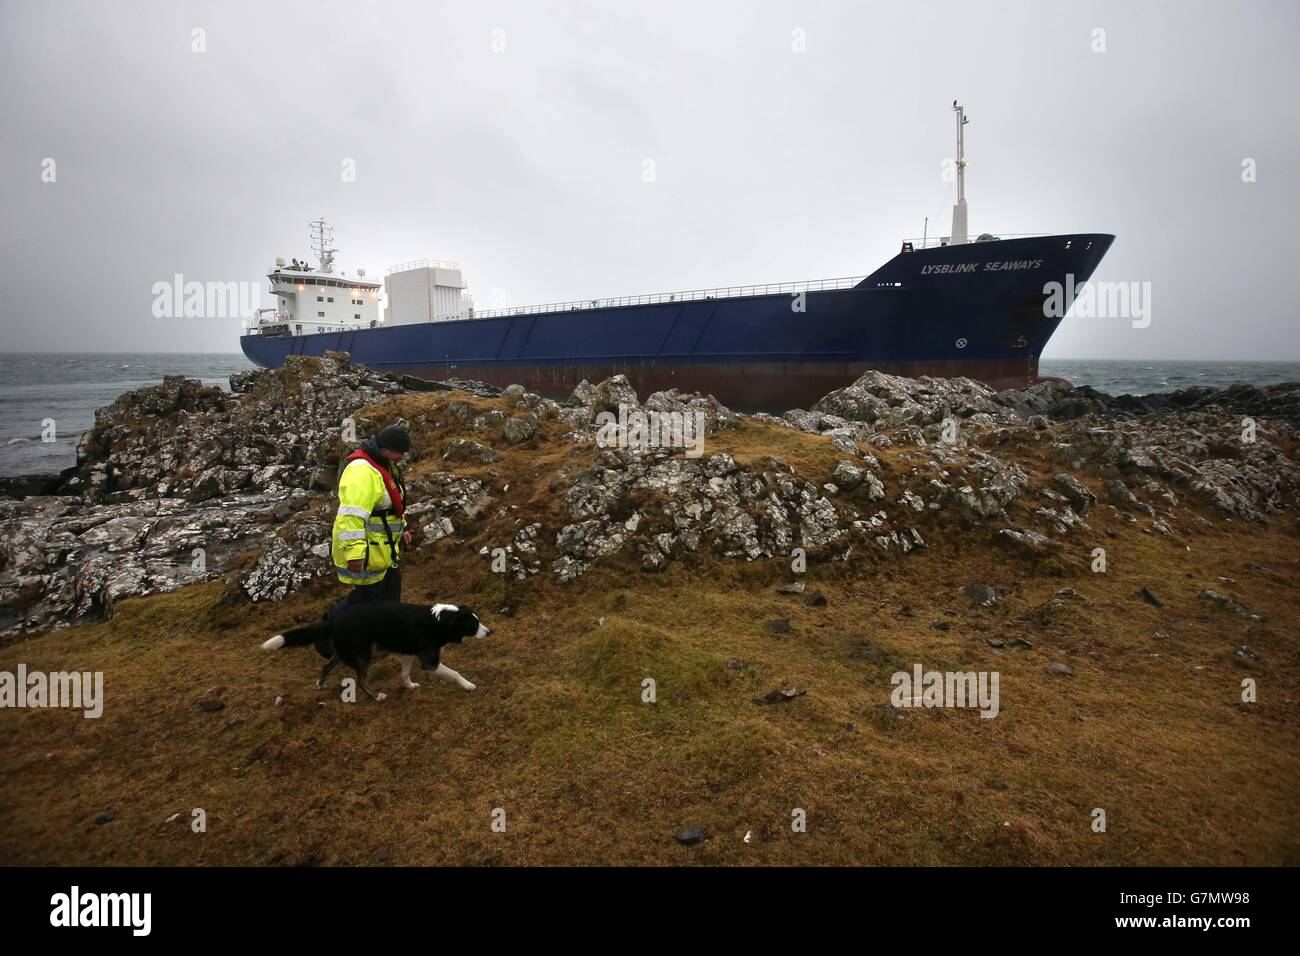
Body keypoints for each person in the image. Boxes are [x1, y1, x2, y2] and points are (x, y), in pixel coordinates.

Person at [318, 426, 413, 654]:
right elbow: (351, 516)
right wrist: (355, 554)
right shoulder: (362, 472)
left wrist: (404, 529)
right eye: (401, 452)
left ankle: (381, 638)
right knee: (365, 600)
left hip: (384, 548)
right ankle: (325, 636)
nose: (403, 457)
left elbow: (391, 506)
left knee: (390, 592)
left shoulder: (384, 465)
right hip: (368, 551)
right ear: (387, 449)